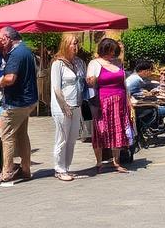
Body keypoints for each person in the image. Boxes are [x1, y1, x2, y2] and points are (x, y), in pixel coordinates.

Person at [0, 26, 38, 186]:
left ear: (8, 38)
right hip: (29, 101)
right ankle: (26, 169)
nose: (1, 42)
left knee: (7, 137)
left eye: (2, 39)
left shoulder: (15, 54)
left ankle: (7, 173)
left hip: (16, 103)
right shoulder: (26, 50)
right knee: (22, 135)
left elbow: (11, 78)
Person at [86, 37, 131, 174]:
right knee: (101, 130)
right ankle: (99, 162)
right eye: (109, 51)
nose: (111, 54)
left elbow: (124, 83)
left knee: (118, 129)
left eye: (113, 51)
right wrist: (91, 80)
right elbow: (90, 83)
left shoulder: (118, 63)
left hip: (120, 100)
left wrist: (129, 101)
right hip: (103, 102)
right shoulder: (95, 63)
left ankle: (116, 161)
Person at [49, 33, 85, 181]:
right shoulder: (58, 63)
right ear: (65, 45)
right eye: (72, 43)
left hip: (77, 104)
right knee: (62, 137)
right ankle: (59, 168)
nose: (75, 46)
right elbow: (56, 88)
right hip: (62, 106)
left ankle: (67, 167)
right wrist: (64, 105)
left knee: (72, 138)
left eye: (76, 43)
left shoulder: (79, 62)